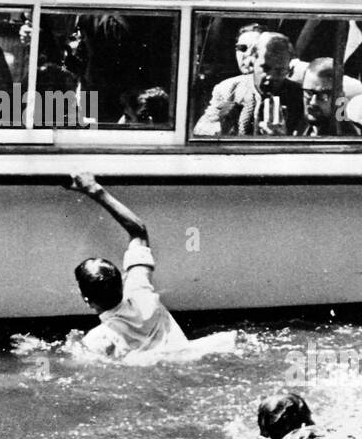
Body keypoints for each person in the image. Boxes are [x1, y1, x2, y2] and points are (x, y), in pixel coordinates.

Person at [65, 171, 188, 359]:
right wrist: (95, 190)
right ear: (123, 281)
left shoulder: (98, 341)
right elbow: (138, 232)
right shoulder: (142, 292)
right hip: (185, 355)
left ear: (86, 299)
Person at [193, 30, 303, 136]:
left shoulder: (300, 96)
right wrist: (219, 126)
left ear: (289, 68)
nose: (271, 76)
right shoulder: (227, 90)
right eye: (265, 68)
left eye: (279, 70)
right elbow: (200, 131)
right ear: (253, 61)